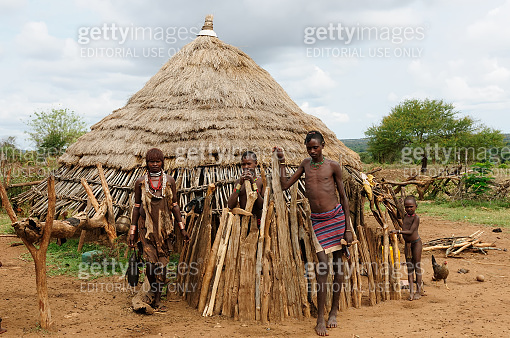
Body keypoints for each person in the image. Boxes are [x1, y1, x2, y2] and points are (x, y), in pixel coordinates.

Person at [274, 131, 353, 336]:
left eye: (315, 147)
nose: (312, 151)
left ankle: (333, 311)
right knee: (323, 268)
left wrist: (348, 228)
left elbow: (344, 198)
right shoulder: (305, 164)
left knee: (337, 266)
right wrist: (282, 162)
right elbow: (284, 185)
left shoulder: (333, 166)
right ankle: (320, 318)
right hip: (318, 222)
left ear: (323, 146)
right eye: (309, 148)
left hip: (336, 219)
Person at [128, 148, 189, 312]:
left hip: (164, 231)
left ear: (163, 162)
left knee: (161, 267)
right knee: (150, 266)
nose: (154, 164)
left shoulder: (169, 181)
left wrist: (181, 228)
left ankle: (157, 299)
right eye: (151, 162)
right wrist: (132, 230)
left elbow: (174, 205)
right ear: (146, 163)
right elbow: (136, 207)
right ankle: (153, 291)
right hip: (146, 230)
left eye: (157, 161)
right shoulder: (140, 182)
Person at [390, 195, 423, 301]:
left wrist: (398, 231)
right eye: (407, 207)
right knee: (410, 269)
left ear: (416, 207)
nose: (409, 209)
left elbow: (410, 231)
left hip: (416, 244)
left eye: (411, 207)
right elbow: (399, 215)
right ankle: (411, 292)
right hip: (407, 245)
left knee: (417, 266)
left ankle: (418, 291)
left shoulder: (416, 218)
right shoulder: (405, 216)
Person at [227, 151, 264, 222]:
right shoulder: (239, 182)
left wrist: (253, 182)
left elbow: (261, 205)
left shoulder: (260, 182)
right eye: (243, 164)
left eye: (249, 164)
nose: (246, 167)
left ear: (255, 163)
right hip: (242, 221)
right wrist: (240, 184)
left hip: (257, 222)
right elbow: (230, 205)